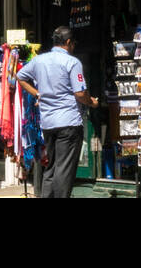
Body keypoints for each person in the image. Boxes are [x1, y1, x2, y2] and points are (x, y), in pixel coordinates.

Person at [15, 26, 100, 198]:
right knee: (64, 170)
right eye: (73, 43)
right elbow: (80, 93)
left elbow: (20, 76)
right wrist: (92, 102)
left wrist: (38, 93)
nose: (74, 47)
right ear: (68, 42)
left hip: (48, 123)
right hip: (68, 123)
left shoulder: (40, 60)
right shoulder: (72, 62)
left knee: (52, 167)